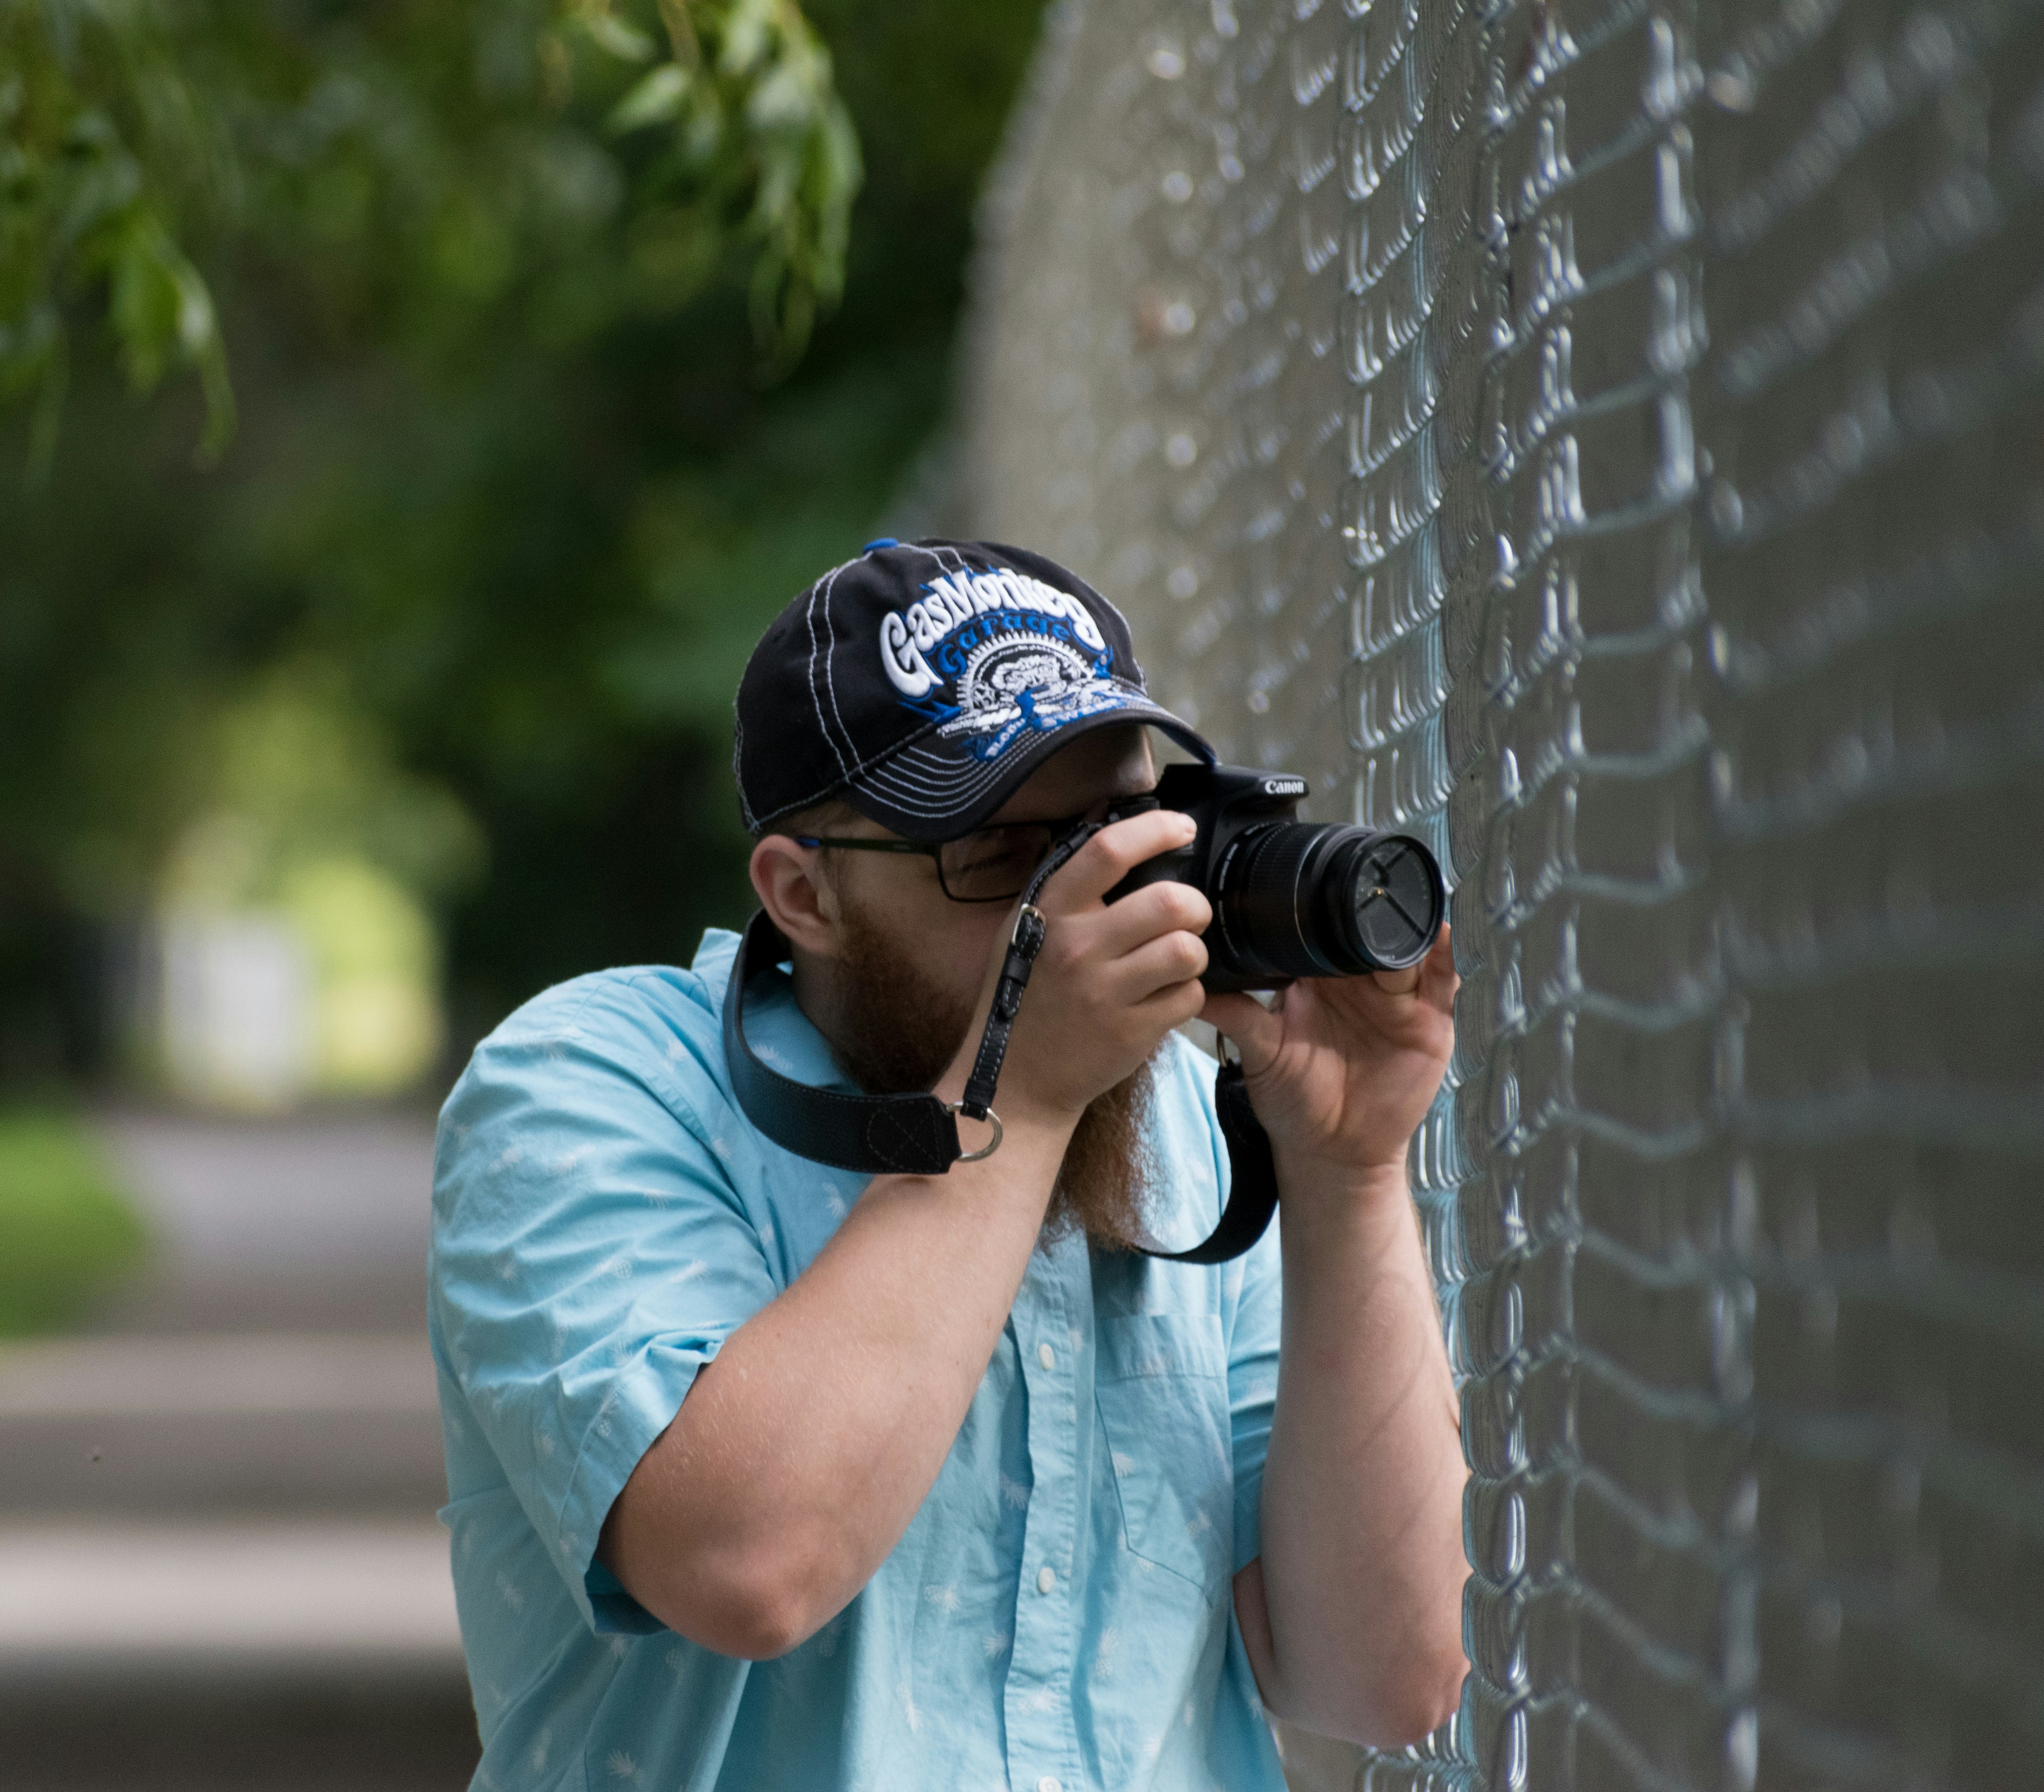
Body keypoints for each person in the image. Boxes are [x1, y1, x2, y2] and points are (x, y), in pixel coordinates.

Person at [427, 540, 1468, 1791]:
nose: (1083, 901)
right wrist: (1018, 1099)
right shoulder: (592, 1088)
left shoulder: (1196, 1123)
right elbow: (747, 1569)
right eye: (1002, 853)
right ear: (803, 895)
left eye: (1122, 832)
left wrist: (1352, 1175)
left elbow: (1385, 1678)